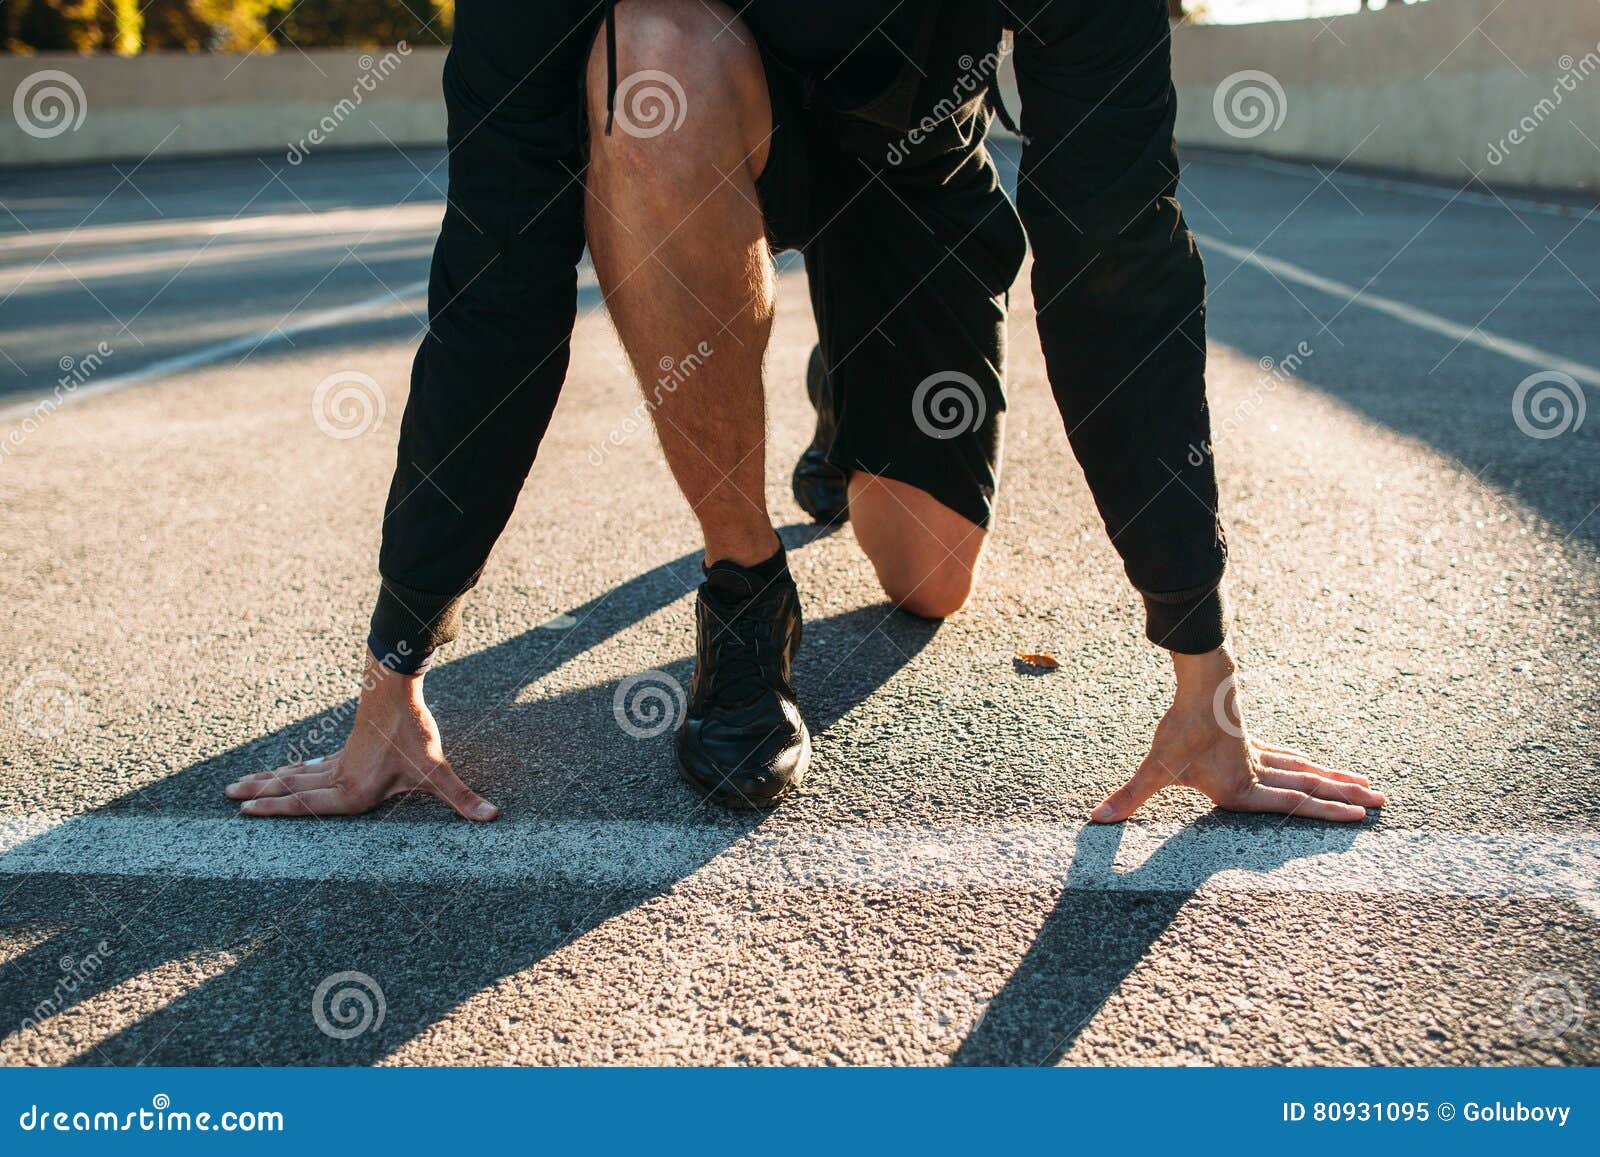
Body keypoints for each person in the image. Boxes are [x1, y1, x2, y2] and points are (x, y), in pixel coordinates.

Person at [225, 0, 1384, 823]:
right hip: (717, 121)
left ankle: (851, 389)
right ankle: (743, 581)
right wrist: (396, 671)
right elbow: (494, 276)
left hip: (914, 169)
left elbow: (1115, 254)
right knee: (653, 70)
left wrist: (1199, 666)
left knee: (928, 579)